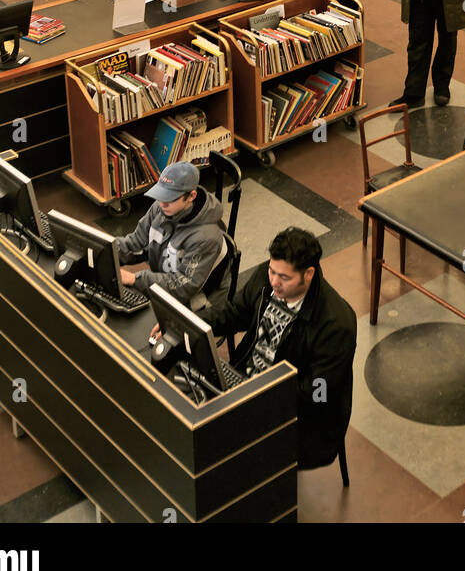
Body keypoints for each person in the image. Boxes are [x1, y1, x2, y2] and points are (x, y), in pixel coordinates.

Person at [201, 227, 357, 471]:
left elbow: (317, 394)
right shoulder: (267, 278)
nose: (274, 281)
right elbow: (235, 313)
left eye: (284, 277)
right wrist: (193, 323)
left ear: (308, 274)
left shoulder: (336, 324)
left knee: (228, 455)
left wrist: (262, 393)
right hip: (247, 382)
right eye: (272, 271)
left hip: (301, 417)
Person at [117, 161, 226, 306]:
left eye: (170, 198)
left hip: (195, 301)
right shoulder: (161, 207)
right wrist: (109, 252)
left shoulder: (206, 237)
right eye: (161, 195)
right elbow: (137, 242)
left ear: (191, 196)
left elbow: (184, 286)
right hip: (162, 282)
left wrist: (135, 279)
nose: (162, 203)